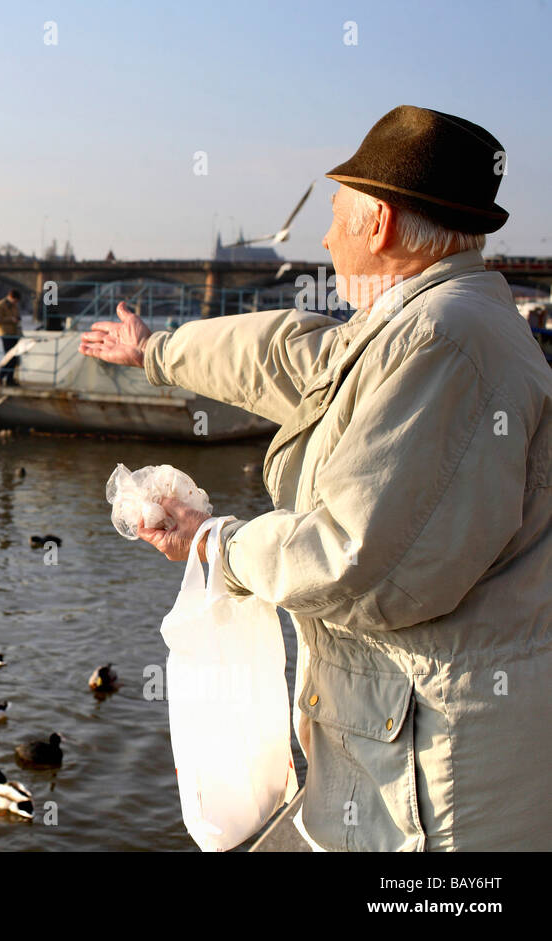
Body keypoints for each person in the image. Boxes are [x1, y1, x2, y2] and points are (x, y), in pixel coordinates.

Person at [81, 105, 552, 851]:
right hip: (403, 753)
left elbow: (359, 559)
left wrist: (215, 546)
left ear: (382, 225)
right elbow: (286, 355)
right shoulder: (429, 320)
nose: (326, 238)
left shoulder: (445, 341)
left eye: (336, 216)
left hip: (435, 790)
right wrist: (158, 351)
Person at [0, 288, 23, 385]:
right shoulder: (1, 305)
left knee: (15, 357)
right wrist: (11, 319)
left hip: (14, 334)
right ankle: (1, 377)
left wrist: (17, 319)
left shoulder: (14, 306)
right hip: (5, 334)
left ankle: (10, 379)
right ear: (11, 297)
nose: (16, 303)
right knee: (9, 357)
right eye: (15, 301)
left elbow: (16, 316)